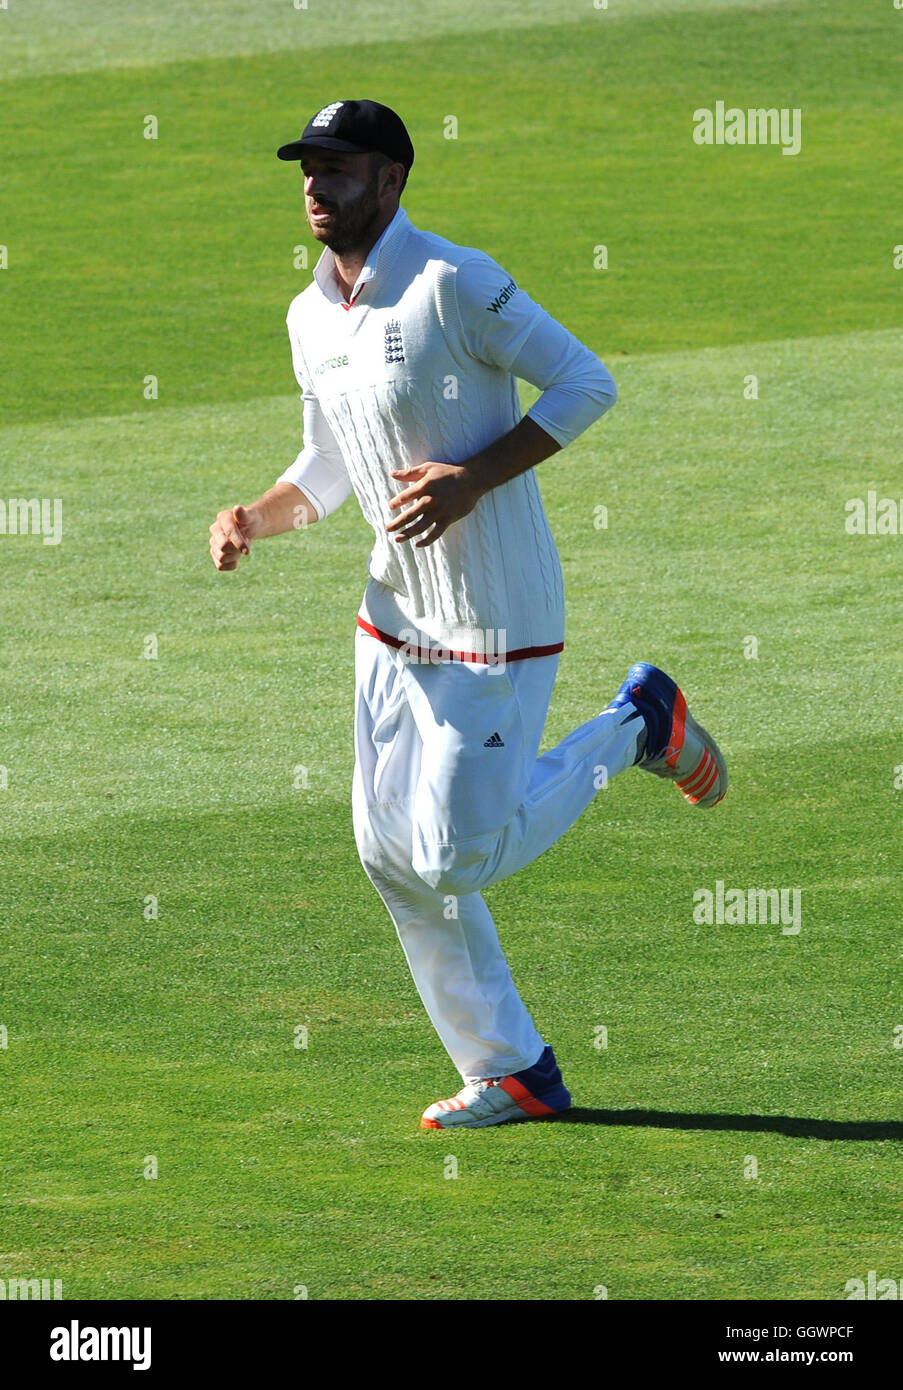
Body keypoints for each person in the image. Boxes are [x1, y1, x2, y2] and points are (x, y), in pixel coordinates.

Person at [208, 99, 727, 1130]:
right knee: (388, 856)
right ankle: (515, 1069)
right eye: (308, 169)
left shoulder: (454, 280)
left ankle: (639, 725)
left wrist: (473, 479)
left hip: (495, 614)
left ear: (392, 179)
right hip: (391, 619)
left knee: (457, 856)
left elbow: (587, 381)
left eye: (341, 167)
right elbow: (329, 462)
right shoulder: (310, 315)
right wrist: (255, 518)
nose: (317, 186)